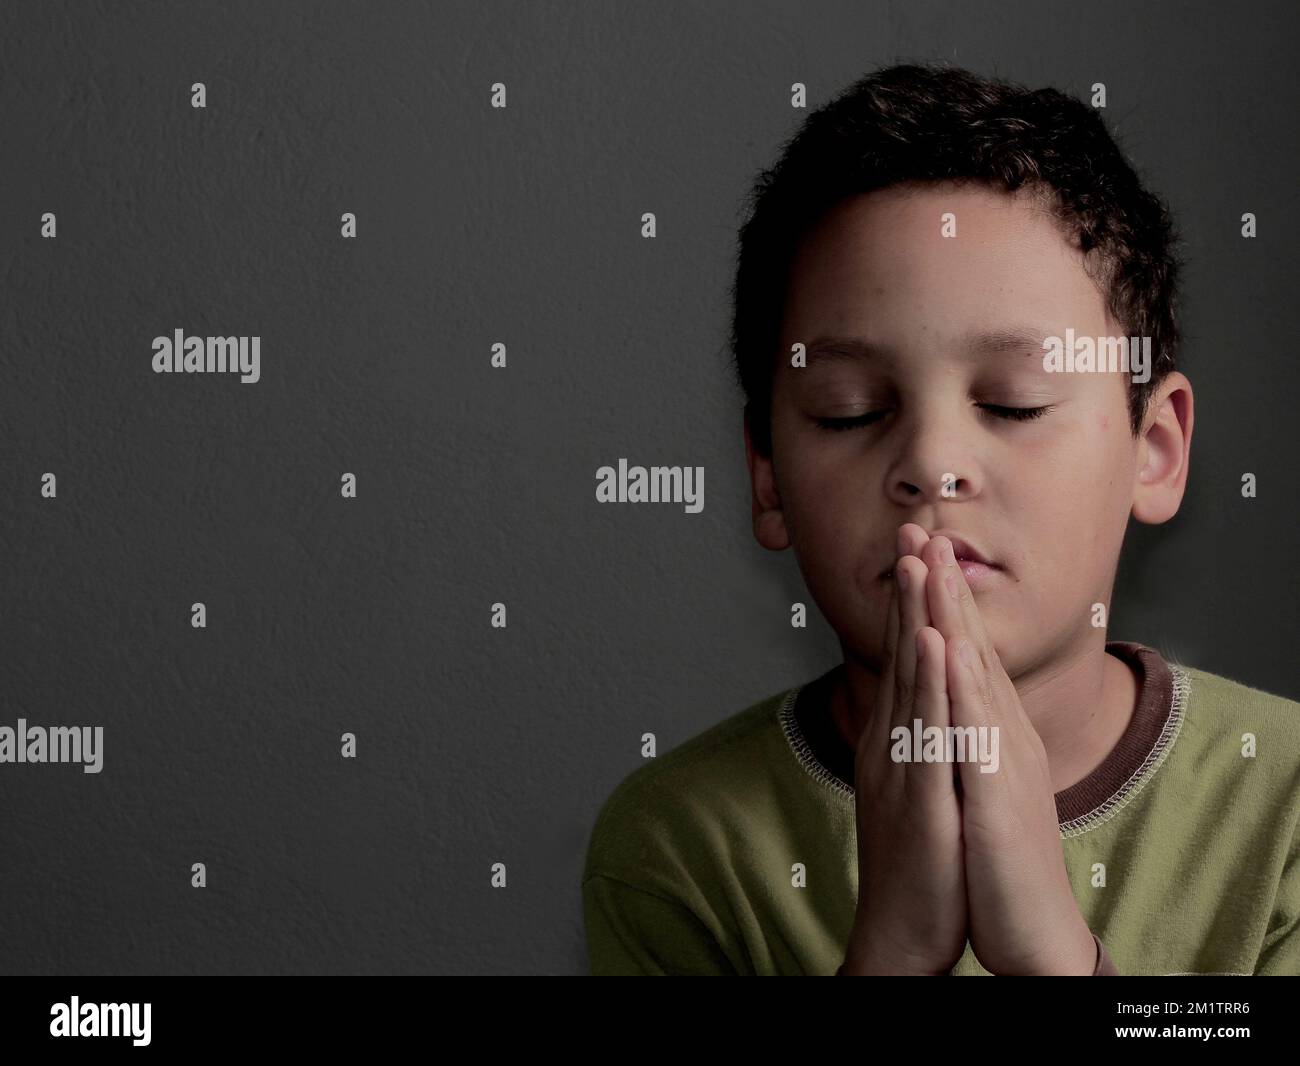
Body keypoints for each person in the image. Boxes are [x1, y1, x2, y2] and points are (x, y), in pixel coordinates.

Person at [582, 62, 1300, 975]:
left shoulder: (1283, 806)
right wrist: (890, 952)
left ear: (1153, 448)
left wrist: (1050, 952)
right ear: (767, 476)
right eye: (849, 410)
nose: (932, 466)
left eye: (1014, 403)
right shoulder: (679, 850)